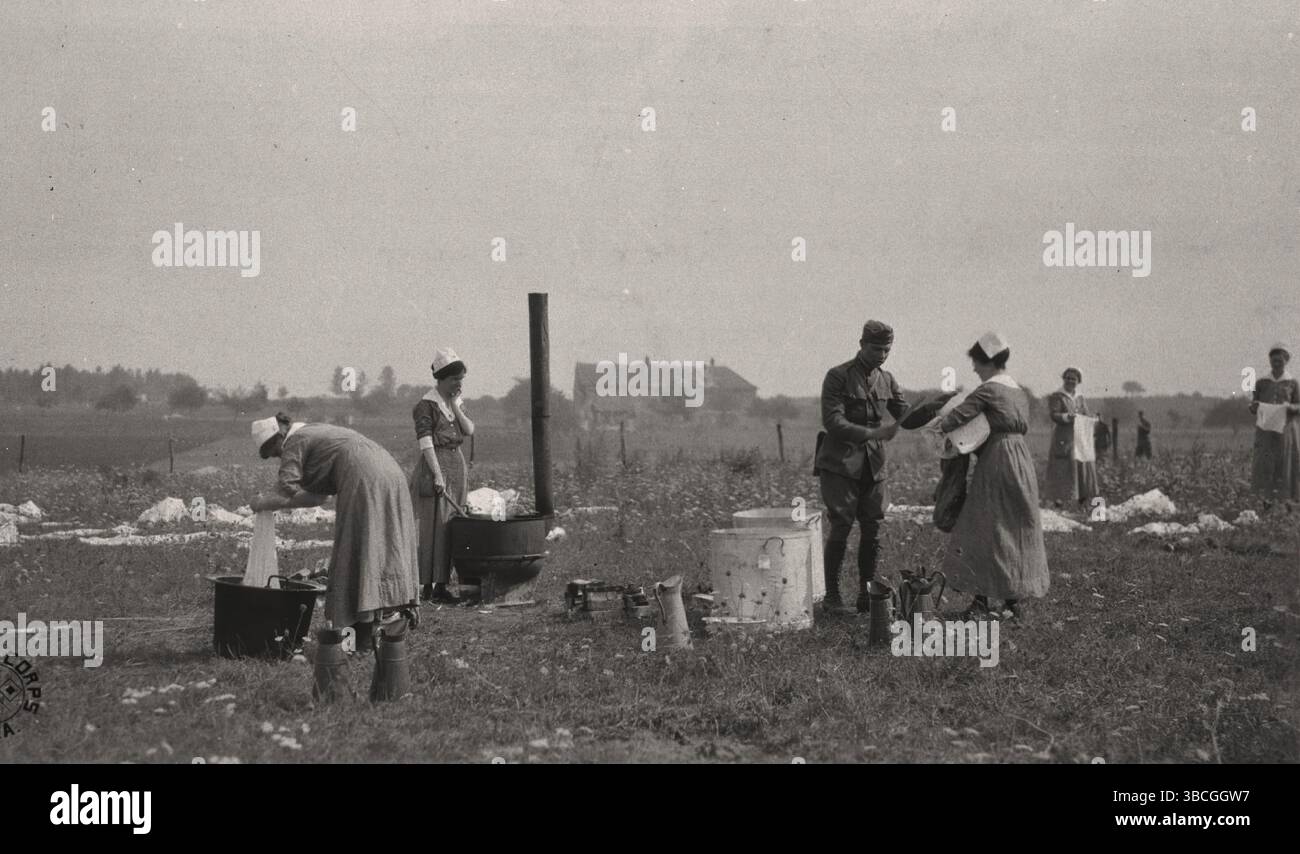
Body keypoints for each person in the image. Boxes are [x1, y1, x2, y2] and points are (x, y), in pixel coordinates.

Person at [815, 320, 954, 613]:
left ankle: (866, 596)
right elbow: (833, 421)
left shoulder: (887, 380)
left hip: (874, 466)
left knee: (873, 528)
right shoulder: (838, 376)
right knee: (841, 526)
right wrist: (873, 433)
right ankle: (832, 598)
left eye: (886, 350)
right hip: (840, 463)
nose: (881, 355)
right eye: (876, 349)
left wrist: (936, 405)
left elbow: (908, 418)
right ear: (862, 345)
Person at [250, 413, 419, 651]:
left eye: (274, 451)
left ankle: (362, 633)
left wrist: (260, 503)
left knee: (354, 548)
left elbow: (285, 489)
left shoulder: (295, 440)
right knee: (382, 545)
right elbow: (317, 498)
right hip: (389, 471)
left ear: (279, 436)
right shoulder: (315, 433)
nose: (278, 456)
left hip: (362, 476)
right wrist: (271, 503)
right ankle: (384, 619)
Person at [938, 333, 1049, 620]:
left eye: (976, 362)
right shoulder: (1018, 391)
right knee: (1016, 524)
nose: (974, 368)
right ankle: (1013, 598)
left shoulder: (987, 390)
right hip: (1021, 459)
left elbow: (954, 419)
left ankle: (981, 599)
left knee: (985, 524)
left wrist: (939, 423)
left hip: (998, 460)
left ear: (986, 361)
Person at [411, 348, 475, 603]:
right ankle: (427, 585)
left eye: (461, 379)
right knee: (433, 525)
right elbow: (425, 442)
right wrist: (437, 475)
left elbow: (469, 430)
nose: (459, 384)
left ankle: (443, 583)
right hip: (434, 464)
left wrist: (455, 406)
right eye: (454, 379)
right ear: (441, 379)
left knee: (451, 524)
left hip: (456, 464)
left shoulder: (455, 403)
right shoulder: (425, 405)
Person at [1249, 344, 1300, 501]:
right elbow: (1254, 405)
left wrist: (1290, 407)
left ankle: (1286, 499)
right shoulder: (1262, 382)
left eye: (1280, 361)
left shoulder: (1292, 383)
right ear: (1270, 361)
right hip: (1266, 431)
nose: (1276, 364)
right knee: (1265, 461)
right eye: (1274, 360)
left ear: (1286, 361)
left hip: (1286, 431)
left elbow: (1298, 406)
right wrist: (1254, 407)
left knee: (1285, 461)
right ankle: (1264, 497)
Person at [1044, 367, 1099, 507]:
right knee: (1063, 467)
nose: (1070, 381)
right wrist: (1066, 417)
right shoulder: (1058, 396)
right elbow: (1054, 414)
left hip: (1079, 437)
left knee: (1081, 464)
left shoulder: (1080, 398)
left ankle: (1082, 499)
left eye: (1073, 379)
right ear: (1063, 379)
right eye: (1067, 378)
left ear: (1078, 381)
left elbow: (1085, 413)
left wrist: (1092, 418)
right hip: (1064, 437)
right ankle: (1059, 500)